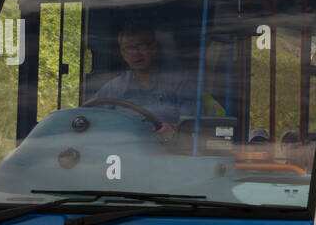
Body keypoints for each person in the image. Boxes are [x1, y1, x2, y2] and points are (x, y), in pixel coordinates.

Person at [93, 24, 221, 143]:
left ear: (153, 48)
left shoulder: (179, 82)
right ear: (122, 54)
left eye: (140, 47)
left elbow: (194, 125)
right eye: (128, 49)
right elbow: (88, 116)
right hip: (123, 155)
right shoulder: (115, 86)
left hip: (169, 156)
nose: (135, 54)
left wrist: (173, 129)